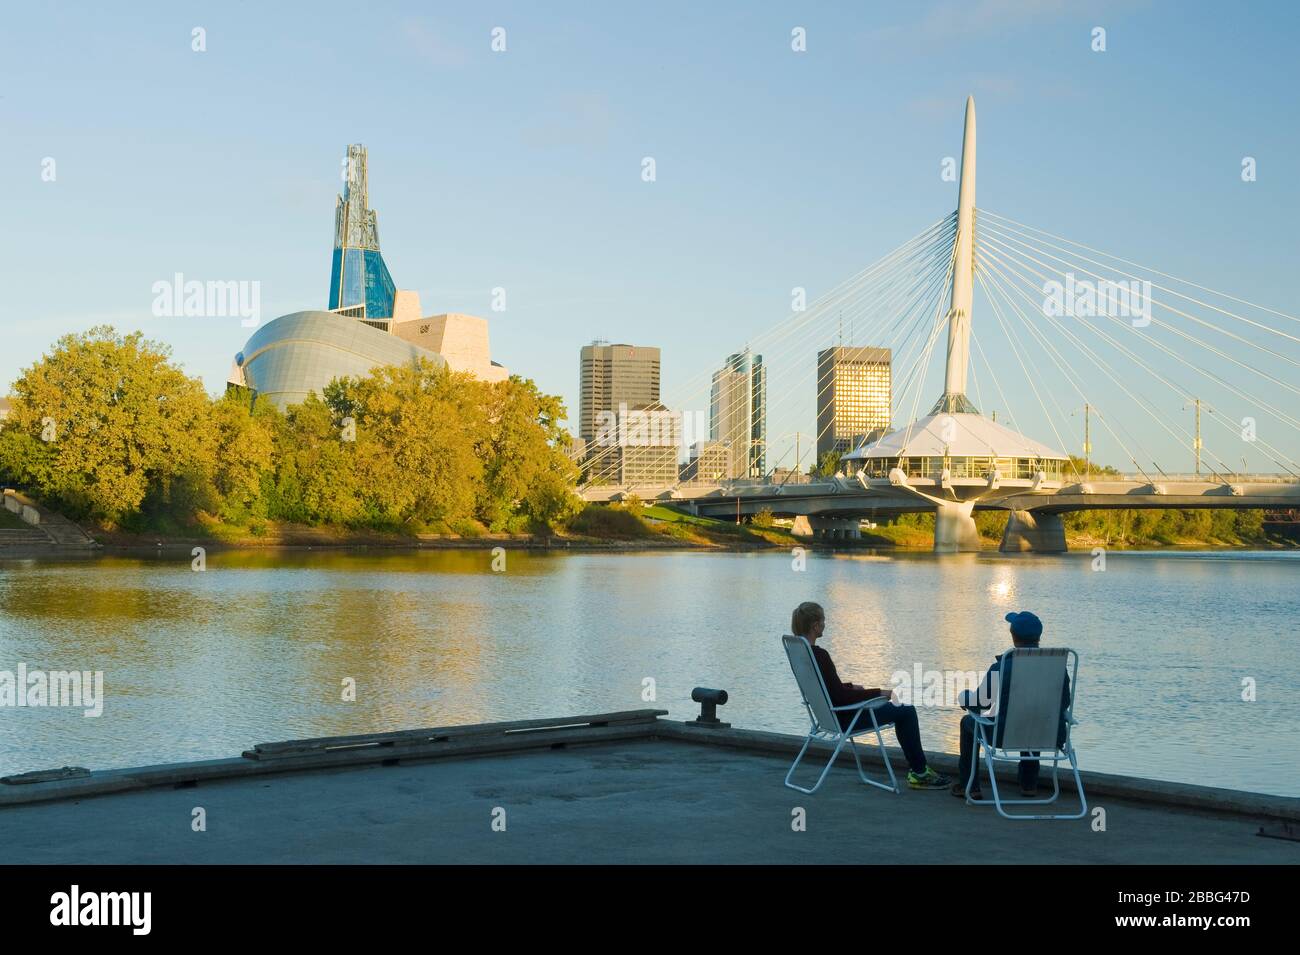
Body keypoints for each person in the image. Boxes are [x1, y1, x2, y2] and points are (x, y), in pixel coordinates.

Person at [790, 601, 950, 790]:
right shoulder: (820, 655)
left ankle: (919, 770)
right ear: (815, 625)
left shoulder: (801, 654)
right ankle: (919, 772)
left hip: (827, 717)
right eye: (823, 620)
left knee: (901, 709)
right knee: (906, 711)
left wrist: (850, 687)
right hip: (846, 718)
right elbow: (840, 697)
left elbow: (828, 689)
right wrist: (879, 692)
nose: (825, 624)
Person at [952, 610, 1071, 800]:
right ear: (1039, 637)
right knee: (1036, 713)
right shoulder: (1056, 669)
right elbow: (1064, 703)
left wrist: (964, 697)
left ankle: (969, 786)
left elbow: (980, 704)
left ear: (1013, 637)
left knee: (968, 722)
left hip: (1003, 736)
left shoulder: (1002, 667)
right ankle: (1029, 784)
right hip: (1047, 734)